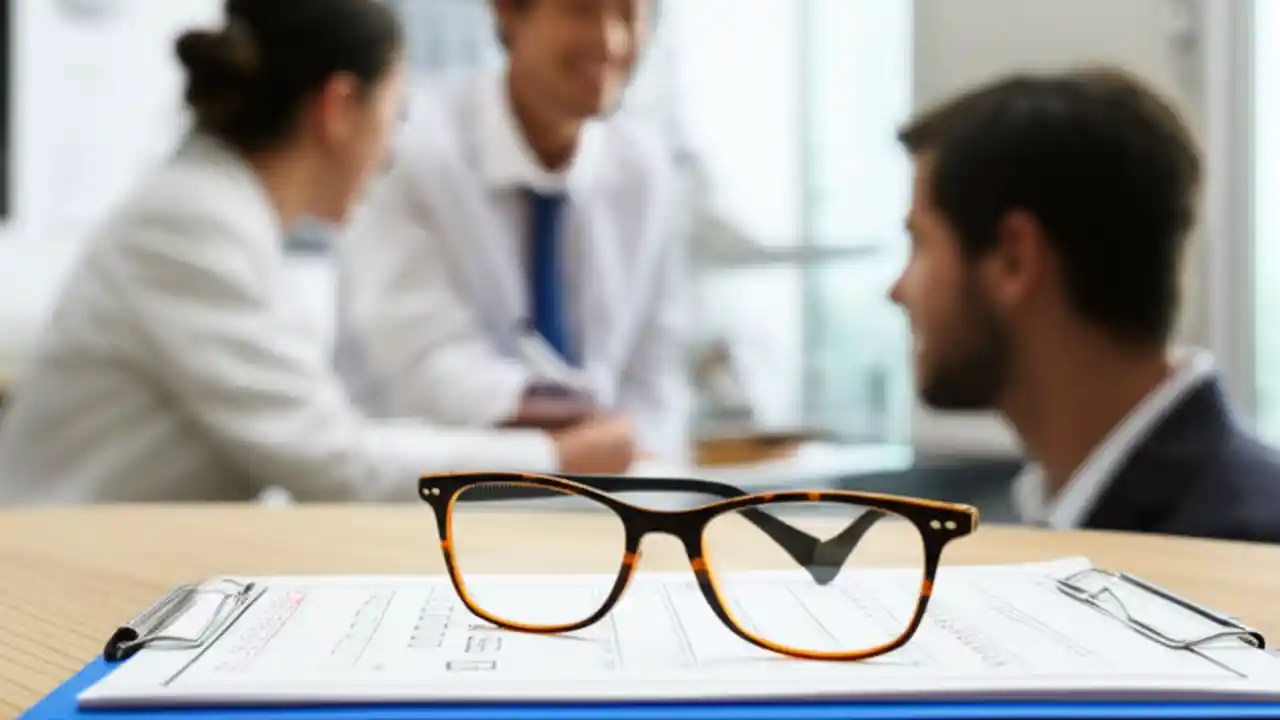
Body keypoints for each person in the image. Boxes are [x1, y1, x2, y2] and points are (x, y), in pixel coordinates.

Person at [0, 0, 635, 505]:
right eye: (395, 110)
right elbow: (333, 463)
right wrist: (560, 459)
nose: (393, 148)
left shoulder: (221, 213)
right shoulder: (190, 224)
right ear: (337, 107)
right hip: (48, 583)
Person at [889, 68, 1280, 543]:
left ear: (1014, 260)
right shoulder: (1063, 511)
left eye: (920, 243)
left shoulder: (1244, 557)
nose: (898, 290)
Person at [332, 0, 689, 463]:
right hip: (427, 498)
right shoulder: (410, 146)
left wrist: (642, 471)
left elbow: (655, 378)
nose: (611, 41)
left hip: (600, 502)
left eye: (629, 15)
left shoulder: (647, 170)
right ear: (507, 12)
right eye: (581, 11)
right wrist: (588, 432)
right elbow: (426, 368)